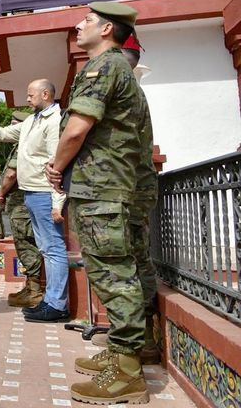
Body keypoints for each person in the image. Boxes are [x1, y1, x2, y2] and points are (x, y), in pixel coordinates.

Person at [45, 1, 153, 405]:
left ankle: (127, 374)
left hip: (102, 190)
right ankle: (136, 349)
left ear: (107, 30)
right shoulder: (122, 70)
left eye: (87, 20)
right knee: (132, 268)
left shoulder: (102, 67)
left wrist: (56, 168)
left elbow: (76, 131)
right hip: (122, 189)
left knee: (112, 272)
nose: (79, 24)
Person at [0, 79, 69, 323]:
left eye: (31, 94)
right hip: (31, 193)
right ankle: (48, 300)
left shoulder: (54, 120)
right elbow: (2, 133)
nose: (27, 99)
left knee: (54, 249)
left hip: (45, 192)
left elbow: (57, 162)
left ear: (46, 94)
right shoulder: (31, 121)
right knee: (45, 248)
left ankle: (57, 304)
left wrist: (58, 201)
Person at [89, 35, 161, 367]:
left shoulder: (126, 90)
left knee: (126, 263)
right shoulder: (134, 91)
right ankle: (135, 341)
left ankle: (134, 348)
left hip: (127, 189)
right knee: (134, 260)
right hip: (133, 187)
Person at [0, 111, 46, 309]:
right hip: (24, 203)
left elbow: (11, 174)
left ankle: (35, 291)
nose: (10, 129)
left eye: (13, 125)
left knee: (26, 244)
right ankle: (31, 287)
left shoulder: (23, 144)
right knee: (27, 243)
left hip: (22, 205)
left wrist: (1, 193)